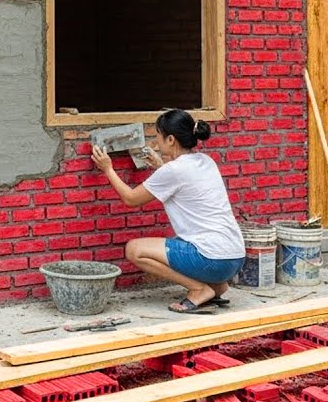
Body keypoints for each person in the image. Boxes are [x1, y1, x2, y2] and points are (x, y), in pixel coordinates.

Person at [91, 109, 245, 314]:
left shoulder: (173, 170)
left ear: (170, 139)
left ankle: (198, 289)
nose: (156, 140)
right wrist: (160, 166)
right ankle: (217, 287)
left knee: (134, 249)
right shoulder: (206, 161)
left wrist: (108, 168)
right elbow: (183, 182)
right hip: (234, 258)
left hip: (212, 259)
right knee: (180, 242)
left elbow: (130, 199)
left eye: (158, 135)